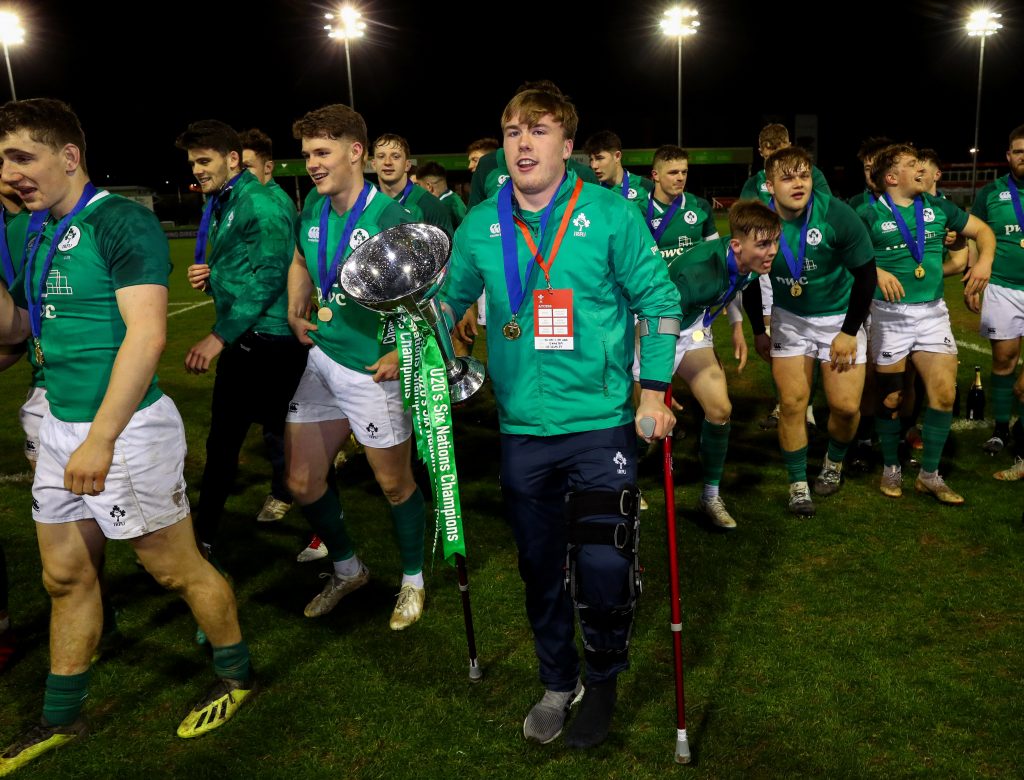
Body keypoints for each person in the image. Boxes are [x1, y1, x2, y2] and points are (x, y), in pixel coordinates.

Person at [0, 98, 254, 774]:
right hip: (59, 422)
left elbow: (147, 334)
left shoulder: (121, 220)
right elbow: (19, 328)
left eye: (21, 156)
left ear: (68, 156)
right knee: (63, 576)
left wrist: (102, 439)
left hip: (125, 428)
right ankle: (61, 717)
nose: (9, 172)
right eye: (2, 161)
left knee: (172, 568)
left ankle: (234, 674)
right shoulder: (34, 229)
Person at [441, 88, 680, 750]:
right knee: (540, 567)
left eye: (539, 130)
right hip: (522, 427)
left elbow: (659, 302)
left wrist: (654, 392)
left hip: (600, 421)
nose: (523, 143)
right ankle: (558, 680)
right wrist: (413, 336)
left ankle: (602, 678)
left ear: (567, 146)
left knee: (603, 563)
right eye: (512, 131)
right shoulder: (480, 225)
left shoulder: (608, 213)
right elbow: (448, 300)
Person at [285, 104, 429, 631]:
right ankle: (349, 570)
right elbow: (301, 258)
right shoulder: (313, 209)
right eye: (307, 154)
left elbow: (433, 294)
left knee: (394, 485)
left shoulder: (390, 218)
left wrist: (402, 350)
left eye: (322, 152)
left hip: (372, 370)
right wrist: (295, 306)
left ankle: (413, 579)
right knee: (302, 481)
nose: (312, 164)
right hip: (322, 358)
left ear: (355, 152)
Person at [176, 121, 307, 556]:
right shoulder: (230, 200)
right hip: (249, 338)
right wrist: (213, 279)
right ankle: (203, 537)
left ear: (232, 159)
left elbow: (270, 276)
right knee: (228, 444)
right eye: (192, 162)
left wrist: (218, 336)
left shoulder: (260, 203)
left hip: (268, 343)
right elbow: (243, 269)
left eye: (204, 160)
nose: (197, 169)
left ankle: (330, 539)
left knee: (293, 448)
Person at [858, 144, 995, 503]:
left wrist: (983, 263)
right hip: (889, 315)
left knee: (945, 394)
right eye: (912, 165)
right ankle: (891, 466)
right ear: (891, 177)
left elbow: (983, 231)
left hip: (933, 313)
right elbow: (843, 256)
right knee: (891, 398)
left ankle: (929, 475)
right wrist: (875, 271)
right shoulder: (866, 213)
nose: (921, 169)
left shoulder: (938, 208)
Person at [745, 147, 876, 516]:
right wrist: (758, 330)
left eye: (803, 175)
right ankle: (798, 484)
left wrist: (849, 331)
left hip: (839, 319)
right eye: (787, 178)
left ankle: (833, 463)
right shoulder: (761, 222)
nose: (798, 184)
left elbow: (866, 276)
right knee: (791, 404)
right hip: (790, 319)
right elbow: (749, 282)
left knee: (845, 408)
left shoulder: (837, 215)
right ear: (770, 185)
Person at [654, 201, 782, 529]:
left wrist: (740, 328)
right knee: (646, 421)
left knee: (720, 409)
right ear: (737, 245)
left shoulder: (747, 260)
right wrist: (658, 380)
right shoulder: (697, 274)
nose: (772, 251)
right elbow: (658, 319)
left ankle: (710, 496)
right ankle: (622, 483)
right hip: (654, 330)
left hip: (692, 325)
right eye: (764, 244)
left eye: (775, 241)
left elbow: (740, 288)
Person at [972, 123, 1024, 478]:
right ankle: (1001, 428)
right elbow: (975, 233)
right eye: (1018, 151)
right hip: (1002, 286)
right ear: (1008, 156)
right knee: (1004, 359)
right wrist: (974, 274)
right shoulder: (990, 192)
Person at [467, 81, 599, 209]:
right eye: (515, 132)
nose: (524, 143)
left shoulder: (584, 176)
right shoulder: (488, 165)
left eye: (538, 132)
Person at [370, 133, 453, 234]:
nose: (387, 162)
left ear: (407, 165)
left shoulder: (430, 205)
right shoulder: (367, 203)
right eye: (381, 156)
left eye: (395, 157)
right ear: (373, 164)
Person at [740, 123, 831, 203]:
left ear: (789, 148)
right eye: (769, 158)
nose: (776, 164)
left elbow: (829, 207)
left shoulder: (810, 173)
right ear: (761, 152)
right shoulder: (754, 183)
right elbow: (745, 215)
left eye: (781, 156)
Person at [583, 130, 652, 202]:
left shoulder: (645, 186)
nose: (594, 166)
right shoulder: (591, 189)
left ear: (617, 156)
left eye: (599, 158)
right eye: (591, 159)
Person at [417, 160, 467, 230]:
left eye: (419, 185)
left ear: (429, 186)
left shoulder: (441, 207)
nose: (417, 189)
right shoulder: (454, 199)